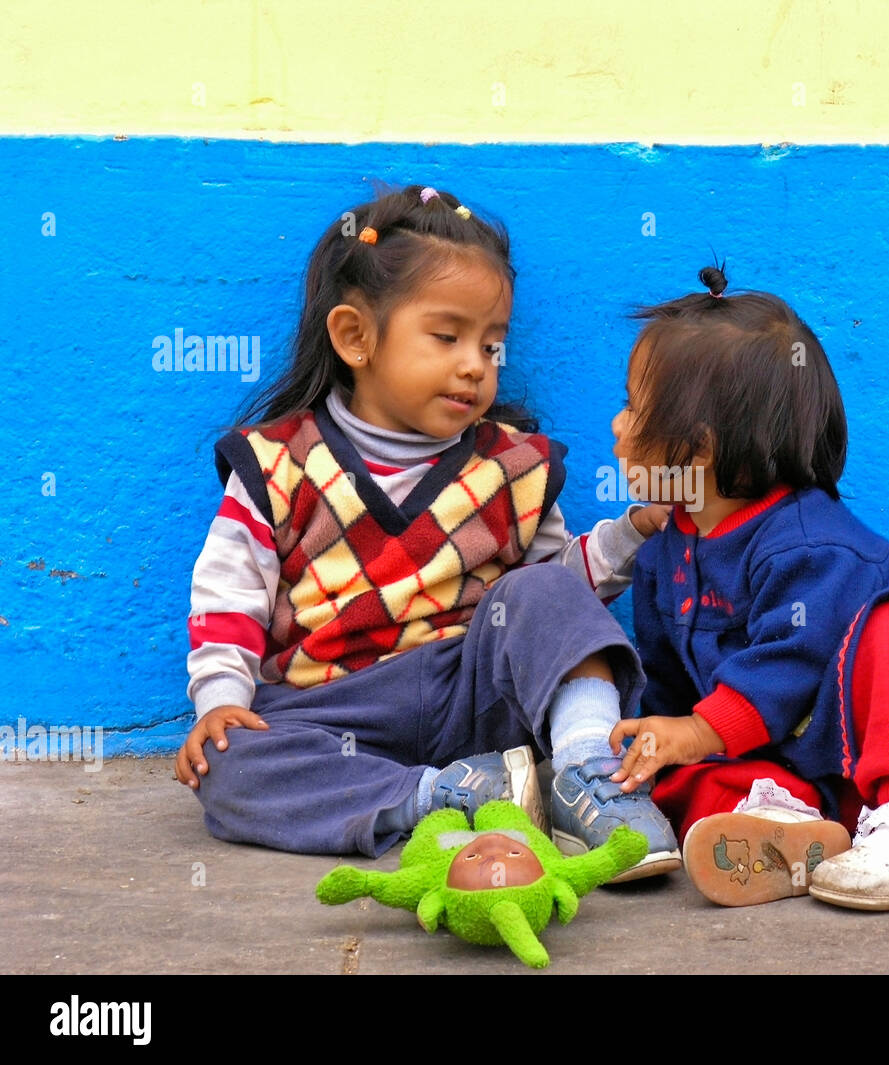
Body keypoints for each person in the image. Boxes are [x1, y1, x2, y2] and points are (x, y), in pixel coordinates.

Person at [174, 184, 678, 877]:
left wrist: (631, 531)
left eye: (492, 344)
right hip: (330, 708)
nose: (476, 364)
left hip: (468, 690)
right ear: (356, 336)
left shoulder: (513, 466)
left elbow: (557, 604)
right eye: (447, 337)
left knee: (540, 591)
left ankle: (590, 776)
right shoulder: (279, 463)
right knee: (227, 765)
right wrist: (221, 701)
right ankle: (446, 795)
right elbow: (227, 598)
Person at [605, 265, 889, 909]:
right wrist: (659, 735)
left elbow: (794, 661)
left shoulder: (808, 545)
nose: (618, 427)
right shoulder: (666, 552)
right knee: (684, 781)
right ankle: (788, 825)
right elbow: (671, 677)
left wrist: (698, 729)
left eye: (633, 408)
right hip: (812, 760)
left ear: (698, 450)